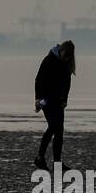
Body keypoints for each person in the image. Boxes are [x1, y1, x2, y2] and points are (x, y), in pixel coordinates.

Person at [33, 40, 74, 169]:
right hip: (46, 100)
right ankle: (40, 158)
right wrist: (38, 99)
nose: (66, 58)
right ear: (61, 50)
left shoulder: (66, 63)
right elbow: (38, 79)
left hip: (58, 100)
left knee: (59, 130)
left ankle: (57, 163)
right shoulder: (49, 60)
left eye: (69, 56)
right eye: (65, 55)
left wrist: (65, 99)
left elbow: (67, 83)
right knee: (53, 126)